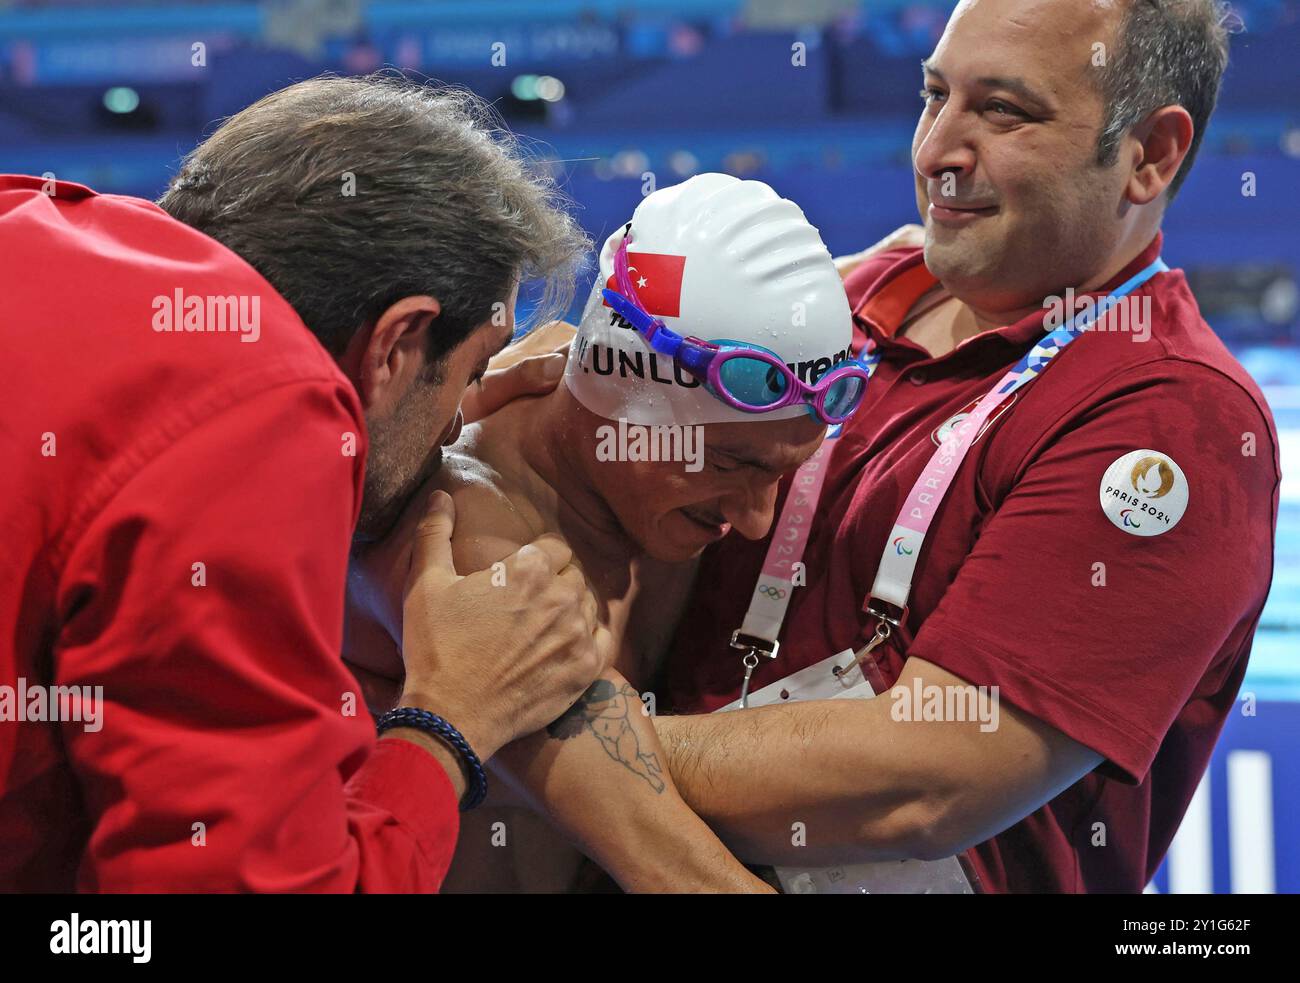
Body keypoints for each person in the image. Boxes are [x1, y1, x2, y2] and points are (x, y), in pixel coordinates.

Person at [645, 0, 1281, 892]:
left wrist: (561, 748)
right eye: (934, 95)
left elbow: (928, 781)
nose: (937, 150)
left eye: (1003, 111)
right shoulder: (847, 298)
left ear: (1149, 155)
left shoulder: (1175, 422)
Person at [0, 75, 612, 892]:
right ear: (396, 343)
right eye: (468, 374)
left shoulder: (34, 220)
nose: (463, 423)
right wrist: (451, 719)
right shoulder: (258, 406)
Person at [344, 173, 867, 892]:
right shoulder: (480, 551)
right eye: (729, 464)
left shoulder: (628, 473)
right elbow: (680, 874)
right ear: (620, 405)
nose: (755, 520)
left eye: (782, 473)